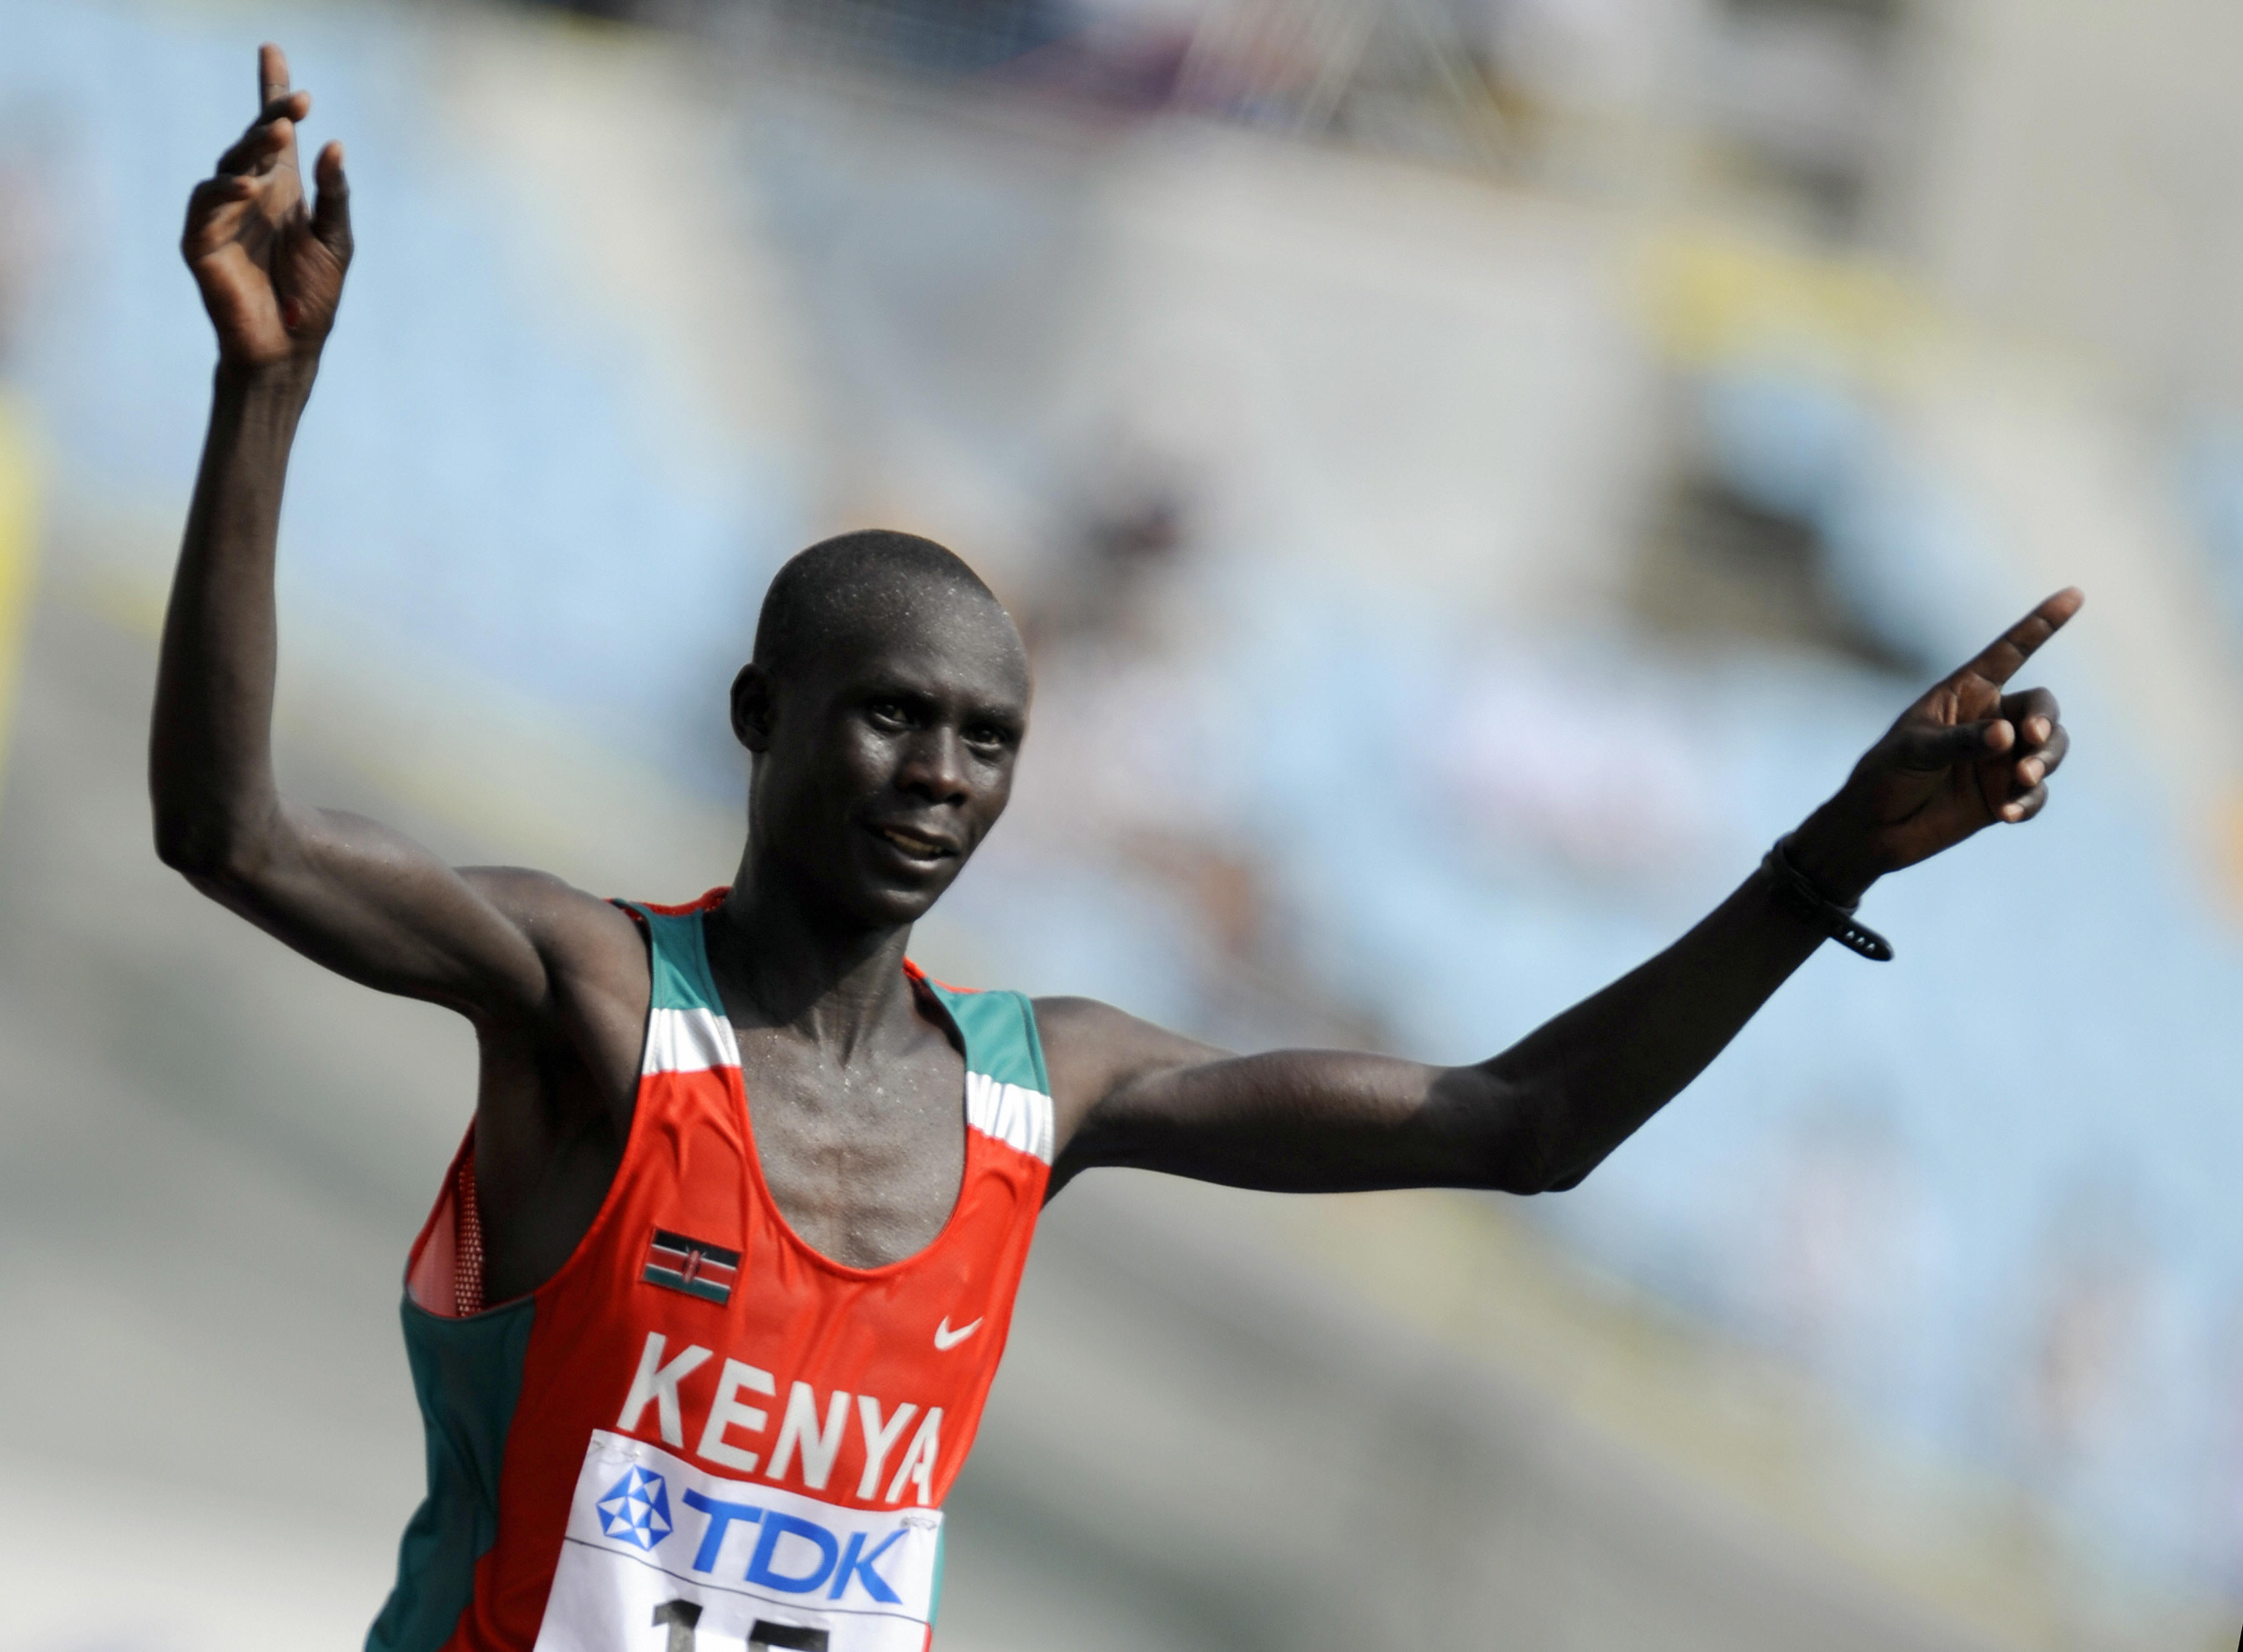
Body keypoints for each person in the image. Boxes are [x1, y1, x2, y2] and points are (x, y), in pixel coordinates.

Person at [158, 45, 2079, 1652]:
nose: (937, 774)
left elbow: (1527, 1121)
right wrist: (265, 398)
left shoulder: (1035, 1091)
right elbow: (231, 832)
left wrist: (1830, 857)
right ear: (761, 720)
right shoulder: (594, 999)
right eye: (889, 713)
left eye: (988, 741)